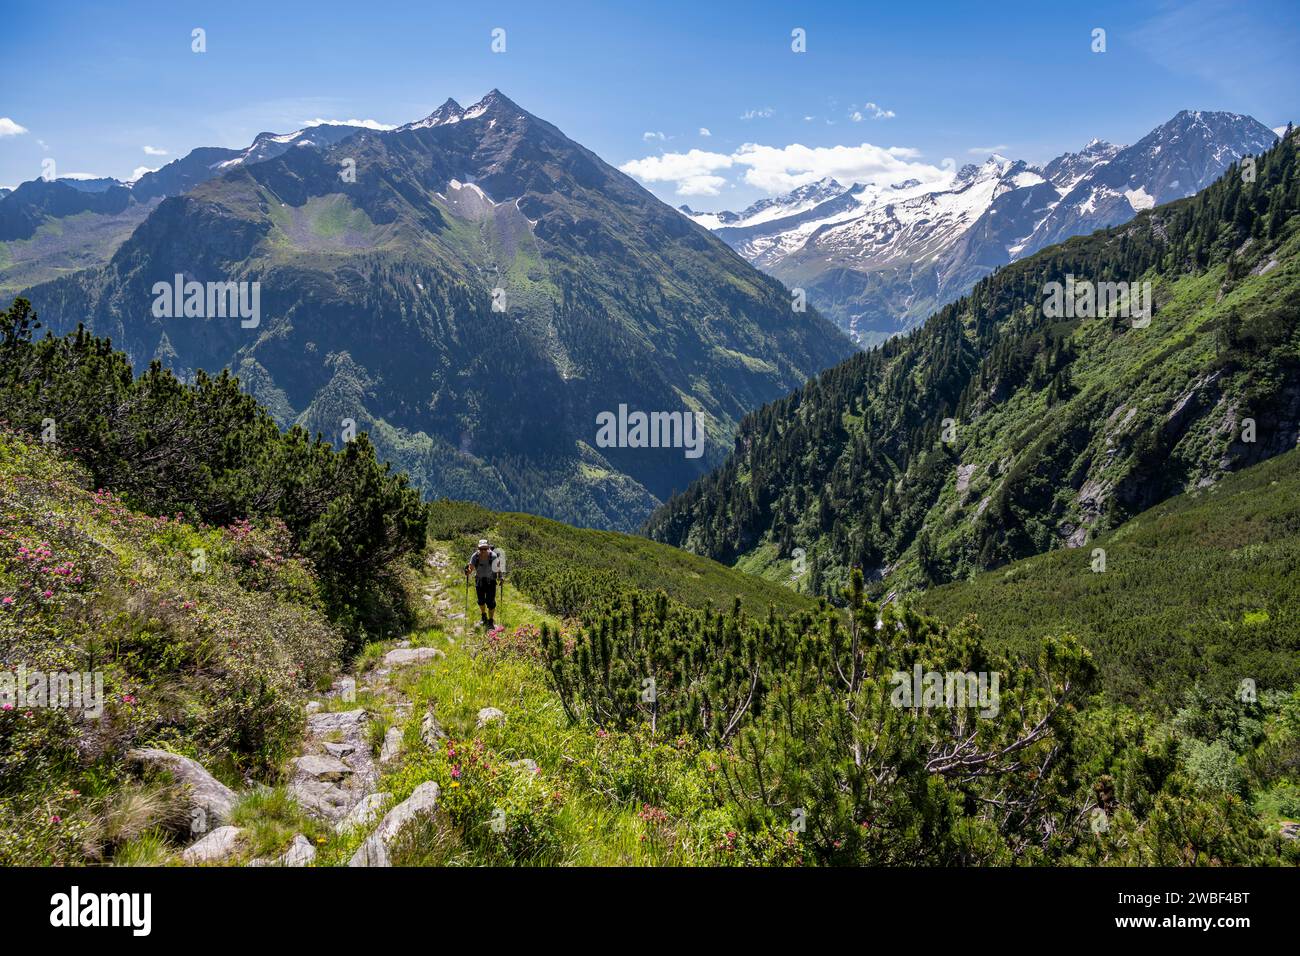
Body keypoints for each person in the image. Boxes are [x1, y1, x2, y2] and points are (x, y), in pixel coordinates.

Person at [465, 539, 503, 627]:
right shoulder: (475, 556)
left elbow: (498, 568)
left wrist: (500, 578)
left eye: (485, 549)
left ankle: (490, 620)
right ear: (478, 548)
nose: (483, 551)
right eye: (481, 549)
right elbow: (471, 568)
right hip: (479, 580)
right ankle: (483, 616)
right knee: (481, 601)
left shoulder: (493, 556)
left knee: (490, 602)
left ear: (488, 548)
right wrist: (467, 571)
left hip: (491, 581)